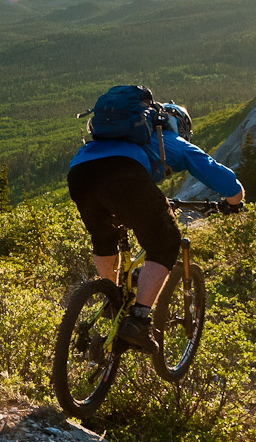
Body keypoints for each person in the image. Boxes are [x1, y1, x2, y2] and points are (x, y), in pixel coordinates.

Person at [67, 93, 244, 352]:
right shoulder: (170, 140)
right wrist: (235, 201)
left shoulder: (112, 137)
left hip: (80, 174)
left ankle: (112, 297)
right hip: (124, 175)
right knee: (165, 242)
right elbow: (213, 170)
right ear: (178, 125)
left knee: (104, 235)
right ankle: (138, 321)